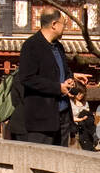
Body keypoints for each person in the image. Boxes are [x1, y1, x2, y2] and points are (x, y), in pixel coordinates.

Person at [16, 9, 76, 146]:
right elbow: (27, 78)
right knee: (41, 161)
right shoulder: (31, 46)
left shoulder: (59, 47)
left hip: (63, 114)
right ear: (54, 24)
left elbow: (61, 73)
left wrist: (69, 79)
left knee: (61, 162)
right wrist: (57, 87)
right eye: (63, 24)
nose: (65, 28)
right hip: (42, 119)